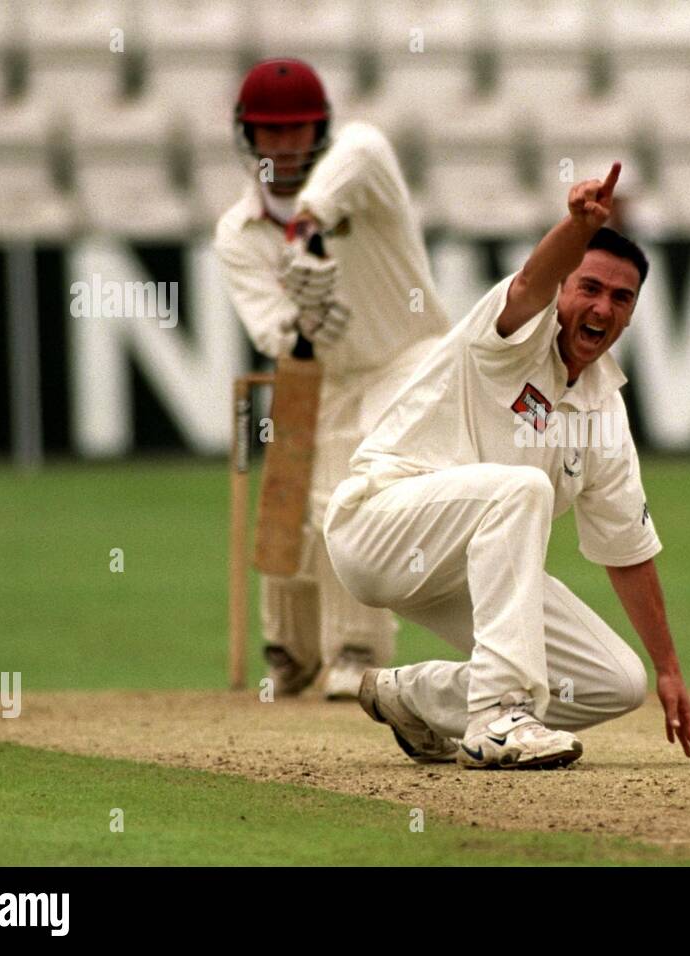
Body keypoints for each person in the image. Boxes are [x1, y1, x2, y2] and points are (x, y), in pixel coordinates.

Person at [324, 162, 690, 767]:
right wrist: (577, 226)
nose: (602, 308)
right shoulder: (511, 335)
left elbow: (627, 550)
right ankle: (497, 717)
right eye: (589, 287)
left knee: (614, 680)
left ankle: (415, 695)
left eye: (620, 297)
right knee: (522, 489)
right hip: (377, 525)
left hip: (460, 571)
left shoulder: (604, 411)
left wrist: (669, 670)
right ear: (563, 292)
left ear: (633, 313)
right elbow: (532, 279)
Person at [214, 58, 448, 700]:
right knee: (294, 503)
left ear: (321, 128)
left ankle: (356, 654)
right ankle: (292, 653)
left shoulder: (362, 162)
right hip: (320, 376)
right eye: (270, 132)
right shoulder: (236, 232)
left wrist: (306, 224)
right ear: (248, 137)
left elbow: (364, 146)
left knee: (351, 494)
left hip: (412, 359)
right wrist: (309, 319)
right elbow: (273, 332)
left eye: (298, 130)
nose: (285, 145)